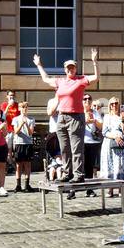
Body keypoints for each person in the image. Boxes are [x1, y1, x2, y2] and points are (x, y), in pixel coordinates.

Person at [32, 49, 100, 185]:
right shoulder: (60, 81)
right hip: (61, 117)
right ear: (65, 69)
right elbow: (46, 79)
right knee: (64, 148)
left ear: (75, 69)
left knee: (76, 147)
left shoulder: (80, 80)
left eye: (72, 67)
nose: (70, 69)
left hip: (76, 117)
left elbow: (96, 77)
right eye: (68, 68)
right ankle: (67, 172)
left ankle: (78, 174)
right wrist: (39, 65)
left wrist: (94, 61)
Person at [100, 97, 124, 186]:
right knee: (110, 165)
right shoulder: (107, 117)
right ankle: (110, 189)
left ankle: (120, 187)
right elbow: (104, 132)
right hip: (109, 144)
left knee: (120, 165)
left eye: (116, 103)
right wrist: (115, 137)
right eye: (112, 104)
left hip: (121, 145)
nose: (114, 105)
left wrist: (122, 120)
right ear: (109, 106)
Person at [11, 100, 36, 192]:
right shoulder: (16, 119)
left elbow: (31, 133)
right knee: (19, 165)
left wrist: (27, 124)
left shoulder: (31, 119)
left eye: (26, 107)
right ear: (19, 108)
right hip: (19, 143)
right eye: (22, 107)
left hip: (28, 143)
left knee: (27, 164)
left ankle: (27, 184)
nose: (24, 109)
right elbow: (16, 132)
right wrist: (21, 123)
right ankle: (18, 185)